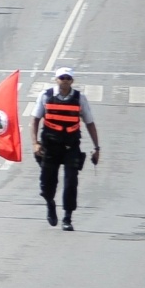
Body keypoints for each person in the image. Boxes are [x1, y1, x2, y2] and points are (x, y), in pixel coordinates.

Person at [31, 68, 100, 231]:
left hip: (71, 146)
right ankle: (50, 202)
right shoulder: (46, 96)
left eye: (68, 78)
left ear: (72, 81)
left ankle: (67, 217)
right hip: (50, 145)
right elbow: (34, 120)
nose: (65, 80)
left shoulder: (79, 99)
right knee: (47, 184)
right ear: (56, 79)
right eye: (62, 78)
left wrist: (97, 147)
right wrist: (35, 143)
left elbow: (89, 123)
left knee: (71, 181)